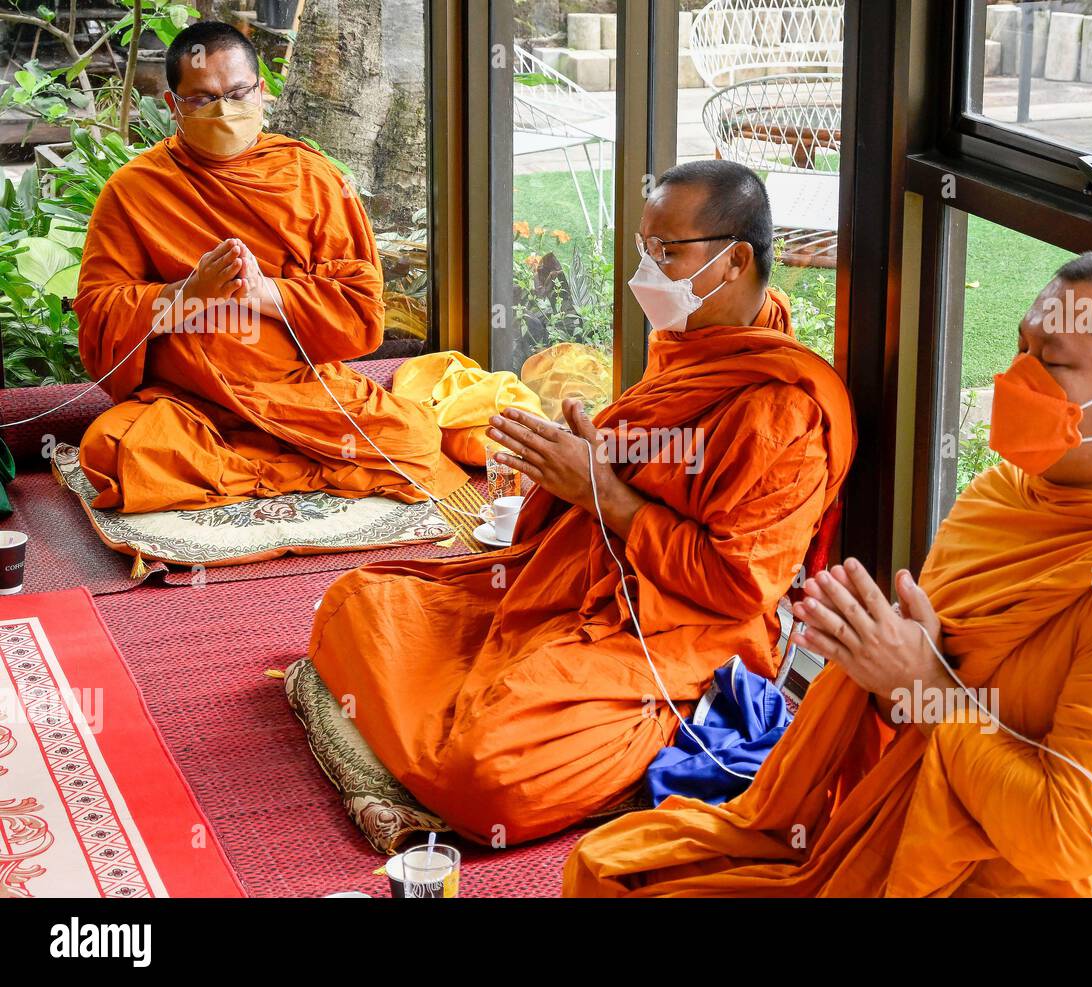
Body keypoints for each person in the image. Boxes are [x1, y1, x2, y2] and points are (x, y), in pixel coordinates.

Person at [564, 248, 1092, 897]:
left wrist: (924, 683)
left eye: (1053, 364)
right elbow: (927, 709)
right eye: (1021, 348)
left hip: (1027, 880)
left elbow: (1063, 836)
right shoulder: (1003, 496)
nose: (1017, 378)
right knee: (608, 866)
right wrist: (873, 660)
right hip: (903, 825)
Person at [308, 160, 856, 844]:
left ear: (736, 258)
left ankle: (662, 721)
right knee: (357, 601)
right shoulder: (713, 340)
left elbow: (739, 584)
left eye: (666, 251)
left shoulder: (783, 409)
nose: (647, 270)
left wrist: (595, 489)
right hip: (581, 579)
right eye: (642, 248)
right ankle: (534, 692)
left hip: (679, 632)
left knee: (490, 777)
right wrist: (579, 464)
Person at [73, 21, 464, 513]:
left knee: (410, 438)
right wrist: (186, 295)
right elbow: (100, 311)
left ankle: (243, 470)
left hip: (298, 391)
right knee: (112, 449)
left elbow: (360, 309)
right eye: (202, 99)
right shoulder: (134, 190)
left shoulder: (313, 179)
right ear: (173, 107)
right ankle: (299, 468)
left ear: (261, 92)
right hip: (189, 403)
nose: (223, 110)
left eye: (237, 93)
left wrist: (266, 294)